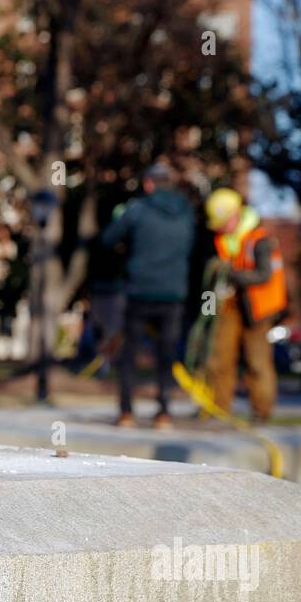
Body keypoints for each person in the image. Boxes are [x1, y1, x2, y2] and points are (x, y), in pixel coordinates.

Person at [101, 161, 194, 429]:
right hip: (174, 293)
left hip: (140, 291)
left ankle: (126, 412)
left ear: (148, 184)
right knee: (166, 353)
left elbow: (108, 240)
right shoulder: (186, 211)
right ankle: (163, 412)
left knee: (129, 353)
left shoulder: (137, 210)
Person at [203, 187, 287, 421]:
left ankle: (262, 413)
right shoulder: (223, 241)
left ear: (235, 215)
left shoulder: (260, 241)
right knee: (220, 359)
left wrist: (232, 273)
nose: (219, 226)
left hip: (259, 310)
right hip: (231, 306)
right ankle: (217, 410)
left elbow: (264, 275)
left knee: (257, 363)